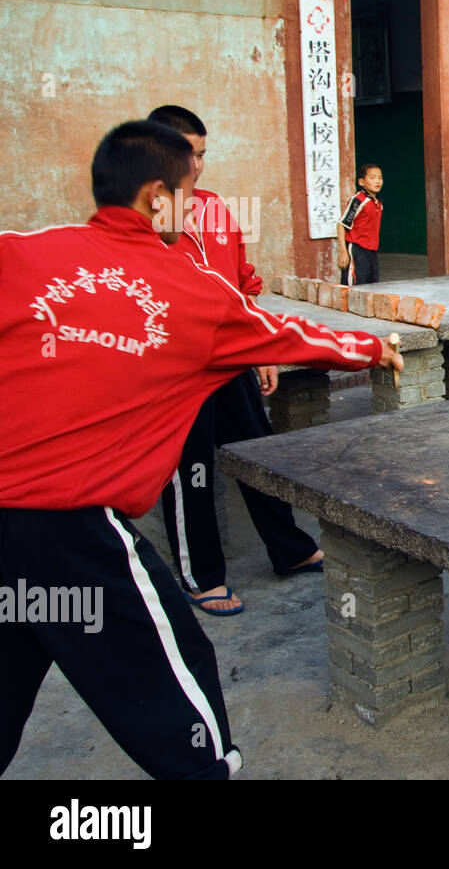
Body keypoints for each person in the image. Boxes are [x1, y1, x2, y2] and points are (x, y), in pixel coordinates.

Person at [0, 120, 402, 779]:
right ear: (157, 196)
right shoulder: (187, 286)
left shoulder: (19, 253)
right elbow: (284, 332)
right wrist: (369, 346)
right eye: (189, 192)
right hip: (68, 533)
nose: (194, 207)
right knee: (180, 694)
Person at [148, 105, 322, 616]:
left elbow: (244, 286)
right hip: (177, 375)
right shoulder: (137, 221)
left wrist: (262, 346)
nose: (198, 165)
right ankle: (201, 575)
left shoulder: (217, 209)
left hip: (231, 361)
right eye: (188, 154)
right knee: (191, 468)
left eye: (202, 154)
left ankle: (288, 550)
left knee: (257, 454)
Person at [337, 164, 384, 286]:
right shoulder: (359, 200)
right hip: (357, 250)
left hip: (372, 250)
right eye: (373, 178)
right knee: (354, 287)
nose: (377, 181)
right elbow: (341, 224)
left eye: (380, 178)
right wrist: (343, 251)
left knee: (372, 286)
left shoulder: (378, 203)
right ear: (361, 181)